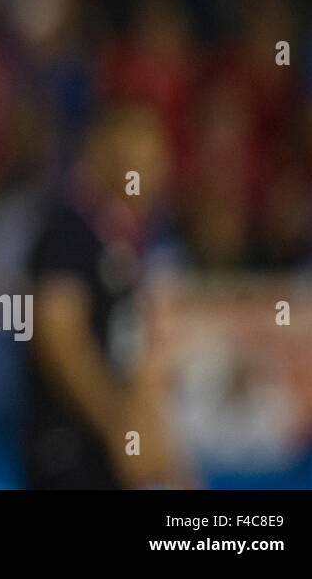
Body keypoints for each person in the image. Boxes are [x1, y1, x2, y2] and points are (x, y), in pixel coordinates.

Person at [24, 103, 195, 489]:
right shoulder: (68, 233)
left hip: (114, 457)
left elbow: (138, 353)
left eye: (153, 156)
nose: (143, 170)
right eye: (130, 154)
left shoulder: (141, 241)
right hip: (69, 449)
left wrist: (165, 453)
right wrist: (119, 427)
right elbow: (58, 340)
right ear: (100, 154)